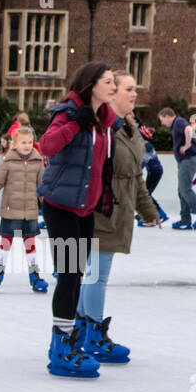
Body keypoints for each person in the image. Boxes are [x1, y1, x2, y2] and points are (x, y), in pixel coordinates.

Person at [37, 61, 117, 378]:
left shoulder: (105, 121)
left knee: (78, 274)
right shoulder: (68, 113)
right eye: (108, 81)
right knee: (68, 274)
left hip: (86, 207)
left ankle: (70, 339)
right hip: (62, 205)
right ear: (91, 84)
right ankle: (60, 347)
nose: (112, 86)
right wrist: (74, 124)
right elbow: (48, 145)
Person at [76, 70, 161, 364]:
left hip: (117, 210)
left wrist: (148, 210)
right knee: (95, 274)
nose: (134, 94)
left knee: (93, 273)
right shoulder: (103, 128)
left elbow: (136, 175)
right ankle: (91, 334)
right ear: (112, 94)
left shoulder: (128, 127)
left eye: (135, 88)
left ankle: (84, 331)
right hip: (101, 209)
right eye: (128, 88)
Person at [0, 126, 46, 292]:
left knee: (31, 243)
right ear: (14, 144)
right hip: (11, 209)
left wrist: (48, 207)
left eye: (30, 142)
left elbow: (43, 187)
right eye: (23, 142)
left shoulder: (38, 161)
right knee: (6, 243)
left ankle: (35, 276)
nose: (27, 145)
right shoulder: (8, 161)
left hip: (30, 211)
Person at [157, 106, 196, 229]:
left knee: (185, 189)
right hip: (185, 161)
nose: (162, 123)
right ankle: (185, 219)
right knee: (182, 190)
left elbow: (188, 129)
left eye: (162, 119)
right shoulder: (176, 124)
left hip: (188, 160)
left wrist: (187, 146)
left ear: (167, 116)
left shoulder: (178, 122)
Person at [137, 140, 168, 224]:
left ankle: (160, 214)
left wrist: (137, 171)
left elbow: (143, 161)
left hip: (155, 172)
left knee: (146, 194)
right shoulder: (144, 145)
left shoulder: (147, 146)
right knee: (147, 193)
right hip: (153, 172)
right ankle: (157, 214)